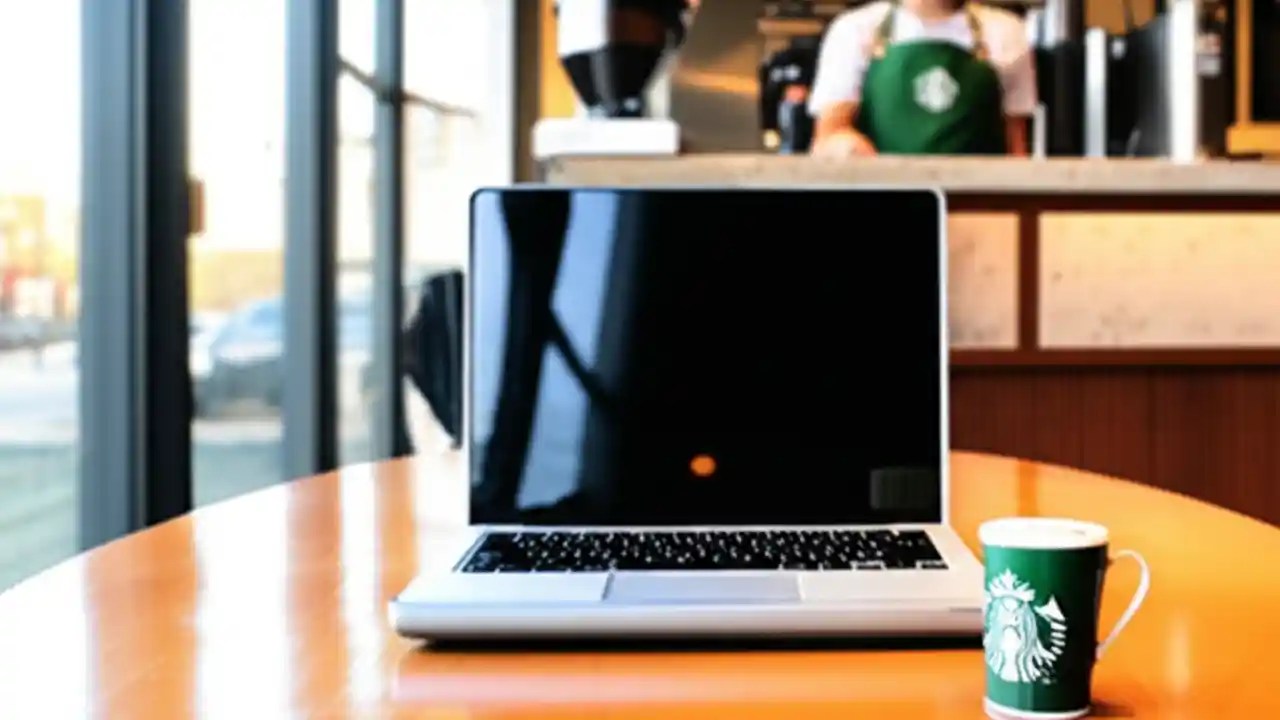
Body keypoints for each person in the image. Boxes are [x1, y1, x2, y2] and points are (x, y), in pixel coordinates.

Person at [807, 0, 1037, 157]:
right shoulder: (854, 31)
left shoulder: (1006, 33)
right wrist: (844, 146)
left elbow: (1016, 147)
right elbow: (828, 134)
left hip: (977, 211)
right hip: (883, 202)